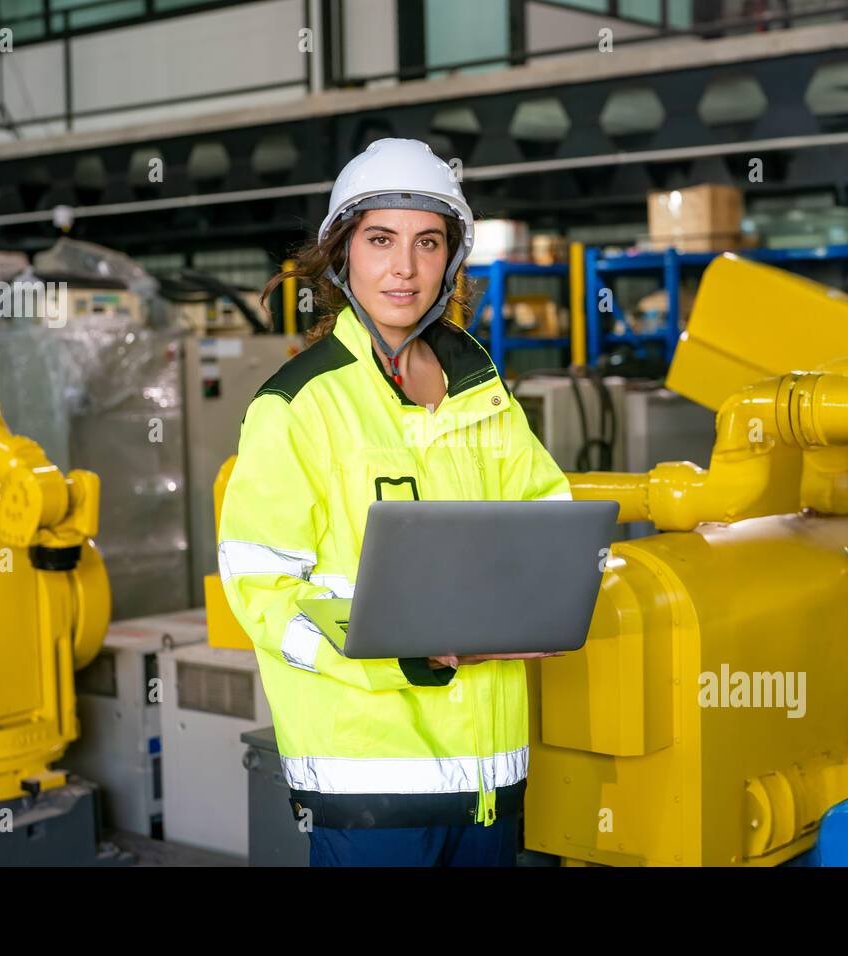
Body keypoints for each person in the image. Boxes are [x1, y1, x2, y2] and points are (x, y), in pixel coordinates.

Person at [217, 138, 571, 867]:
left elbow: (547, 521)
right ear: (343, 254)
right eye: (381, 240)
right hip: (371, 786)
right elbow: (263, 594)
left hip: (490, 782)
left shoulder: (483, 392)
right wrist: (406, 652)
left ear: (450, 260)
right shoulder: (298, 407)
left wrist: (547, 600)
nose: (404, 268)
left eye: (427, 243)